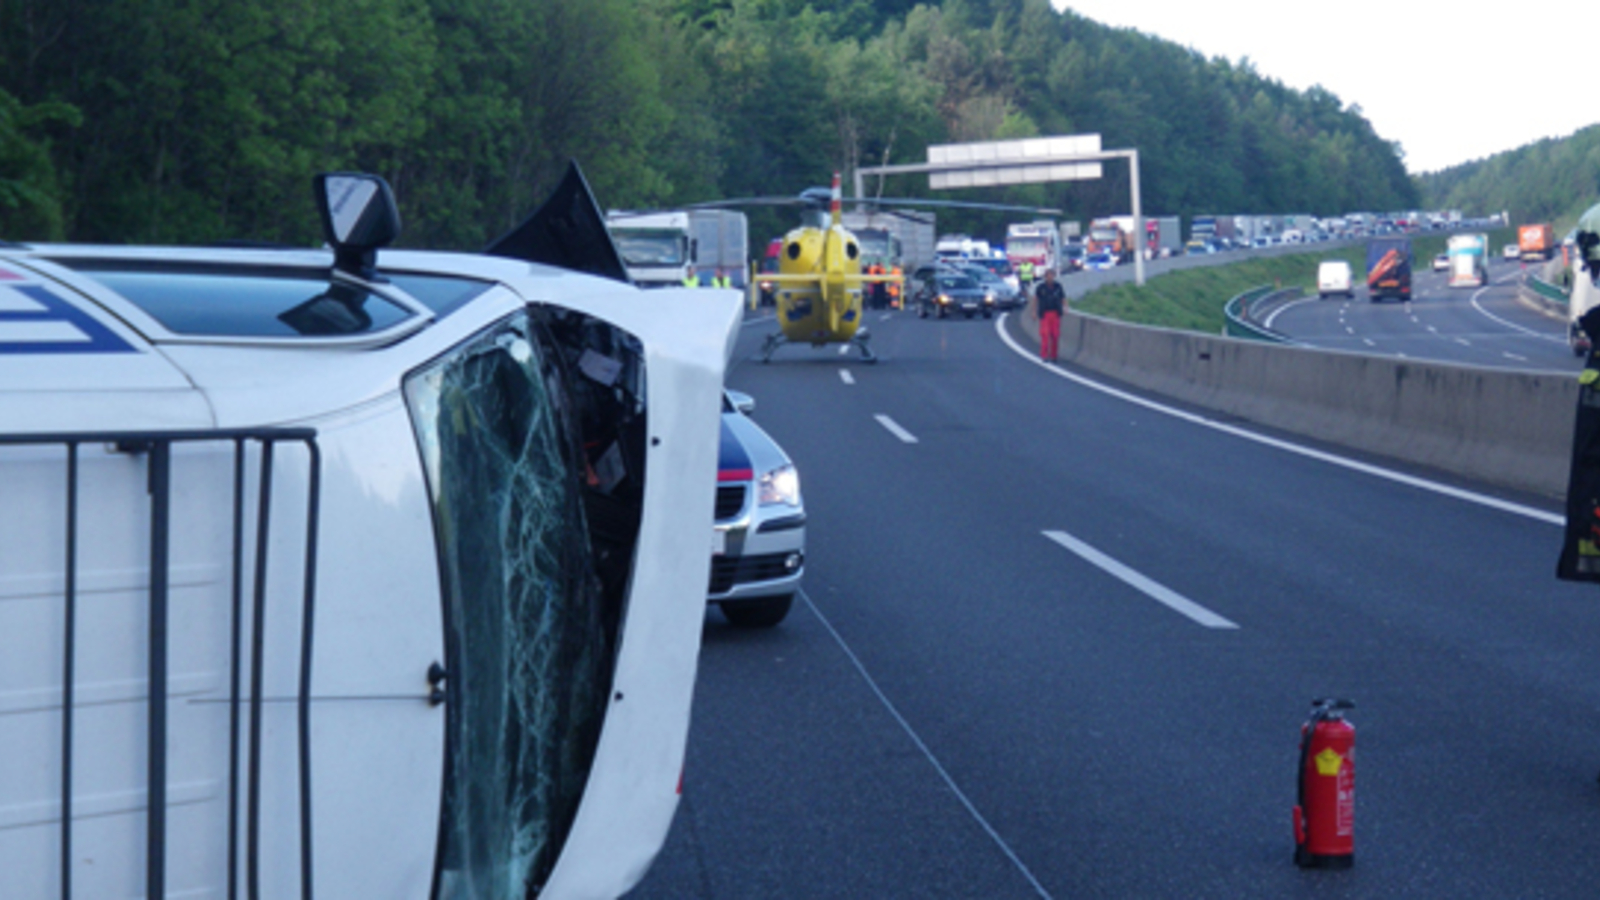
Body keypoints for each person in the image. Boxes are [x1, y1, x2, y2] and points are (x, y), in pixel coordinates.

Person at [1034, 267, 1066, 362]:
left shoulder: (1058, 287)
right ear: (1045, 277)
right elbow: (1036, 300)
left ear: (1054, 276)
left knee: (1055, 335)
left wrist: (1065, 307)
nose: (1050, 277)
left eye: (1052, 275)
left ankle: (1054, 355)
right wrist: (1034, 312)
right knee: (1045, 335)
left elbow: (1063, 298)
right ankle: (1044, 355)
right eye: (1048, 276)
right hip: (1045, 314)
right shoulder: (1040, 288)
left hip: (1055, 314)